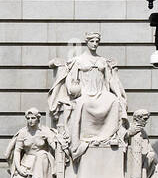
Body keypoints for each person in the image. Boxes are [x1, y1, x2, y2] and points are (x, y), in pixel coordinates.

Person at [46, 30, 128, 160]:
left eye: (97, 42)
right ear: (87, 42)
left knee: (114, 102)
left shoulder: (103, 61)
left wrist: (118, 95)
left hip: (101, 92)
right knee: (83, 104)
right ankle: (84, 140)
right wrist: (73, 88)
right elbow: (71, 81)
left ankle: (110, 137)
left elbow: (110, 80)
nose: (95, 44)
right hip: (85, 93)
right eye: (92, 41)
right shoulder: (78, 60)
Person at [6, 108, 62, 178]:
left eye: (33, 118)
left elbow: (54, 147)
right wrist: (19, 168)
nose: (30, 120)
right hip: (27, 163)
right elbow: (17, 151)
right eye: (28, 118)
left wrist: (58, 141)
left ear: (38, 118)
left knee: (41, 154)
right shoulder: (23, 132)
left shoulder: (45, 130)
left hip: (43, 162)